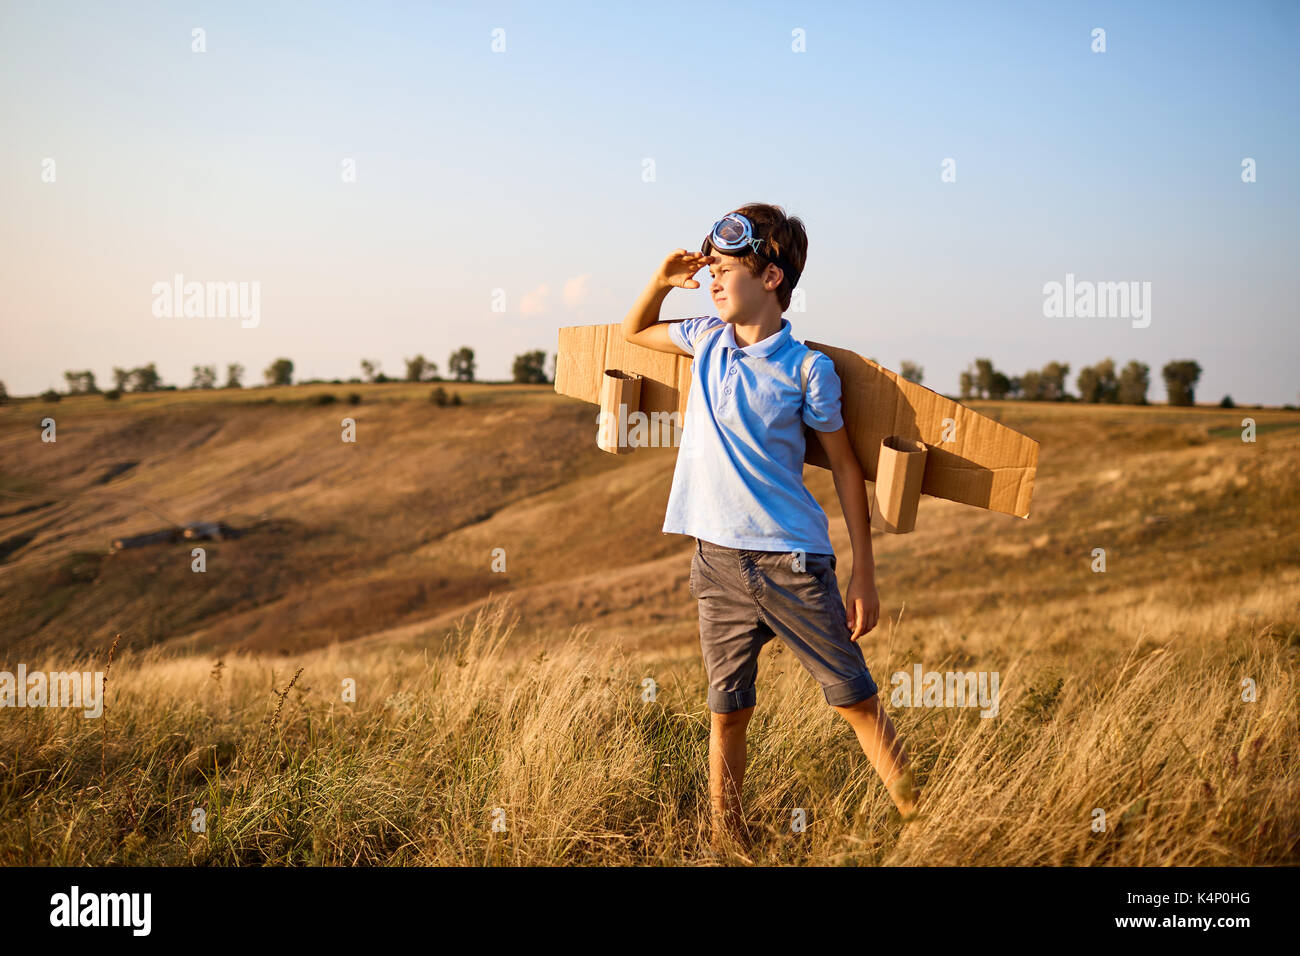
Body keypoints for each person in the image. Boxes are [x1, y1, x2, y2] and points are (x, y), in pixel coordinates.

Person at [620, 203, 921, 856]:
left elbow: (845, 470)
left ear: (773, 277)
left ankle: (929, 826)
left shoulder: (807, 369)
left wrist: (864, 575)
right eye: (711, 271)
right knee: (726, 711)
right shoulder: (703, 337)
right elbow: (635, 329)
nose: (713, 280)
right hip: (716, 561)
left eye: (726, 269)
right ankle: (729, 844)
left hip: (791, 561)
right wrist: (661, 278)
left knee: (854, 702)